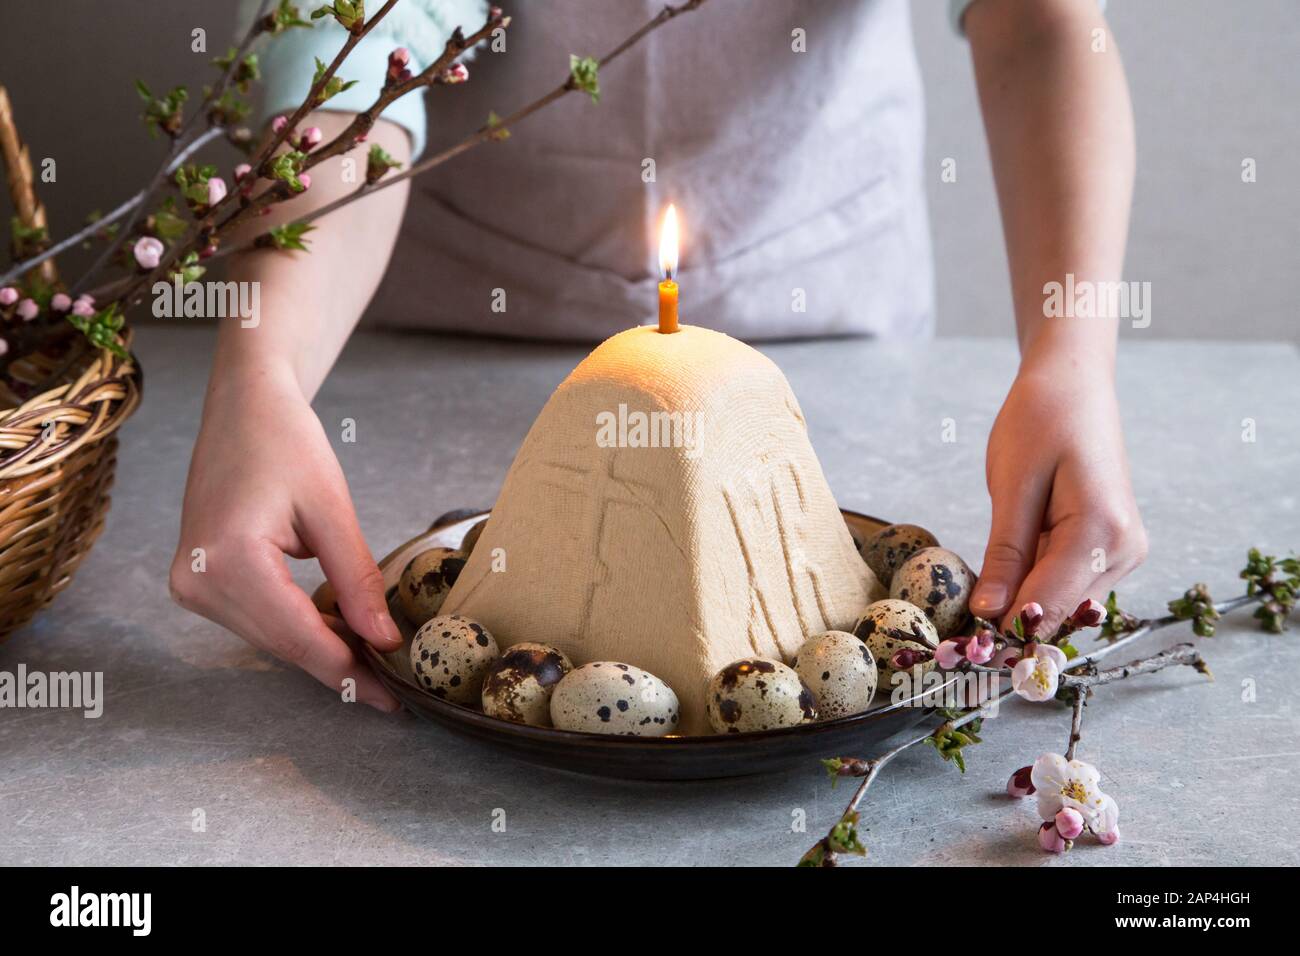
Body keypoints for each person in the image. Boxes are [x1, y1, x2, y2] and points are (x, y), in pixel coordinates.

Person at [169, 0, 1147, 711]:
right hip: (459, 308)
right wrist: (267, 365)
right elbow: (351, 34)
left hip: (818, 296)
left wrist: (1070, 356)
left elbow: (1039, 22)